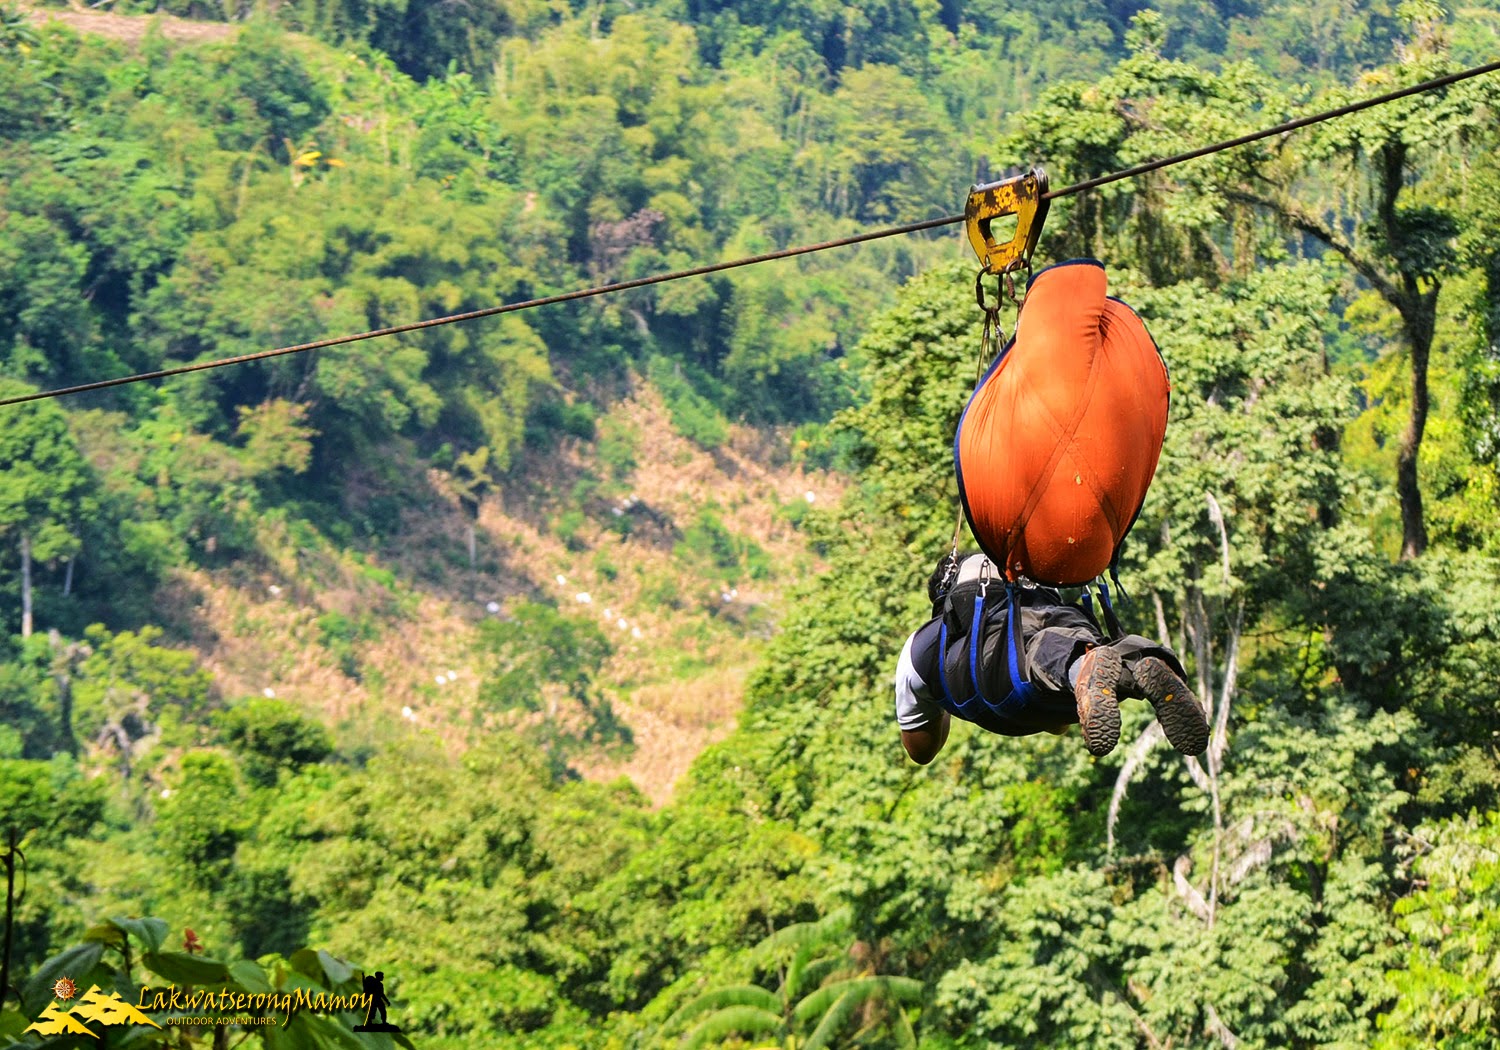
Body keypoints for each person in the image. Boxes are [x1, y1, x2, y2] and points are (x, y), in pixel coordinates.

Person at [894, 551, 1209, 763]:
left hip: (1000, 662)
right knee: (1094, 652)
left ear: (943, 600)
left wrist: (939, 703)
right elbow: (1059, 721)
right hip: (1063, 618)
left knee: (1043, 661)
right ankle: (1144, 661)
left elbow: (921, 751)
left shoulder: (925, 646)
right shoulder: (1038, 591)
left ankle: (1085, 667)